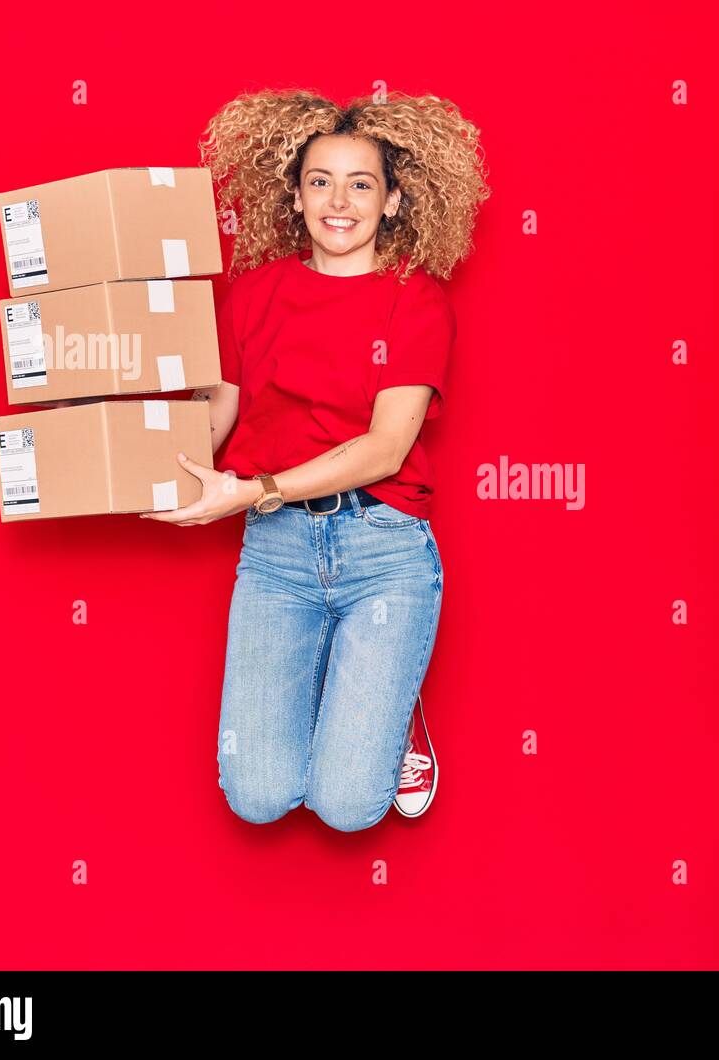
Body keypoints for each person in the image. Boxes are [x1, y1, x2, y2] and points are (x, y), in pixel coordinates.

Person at [142, 89, 490, 831]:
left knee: (347, 807)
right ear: (295, 198)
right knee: (258, 798)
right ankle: (369, 692)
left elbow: (384, 447)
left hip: (383, 548)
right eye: (320, 182)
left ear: (393, 202)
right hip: (277, 552)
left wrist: (253, 488)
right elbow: (218, 415)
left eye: (361, 184)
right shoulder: (252, 295)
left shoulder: (415, 302)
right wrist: (121, 453)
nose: (339, 201)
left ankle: (392, 714)